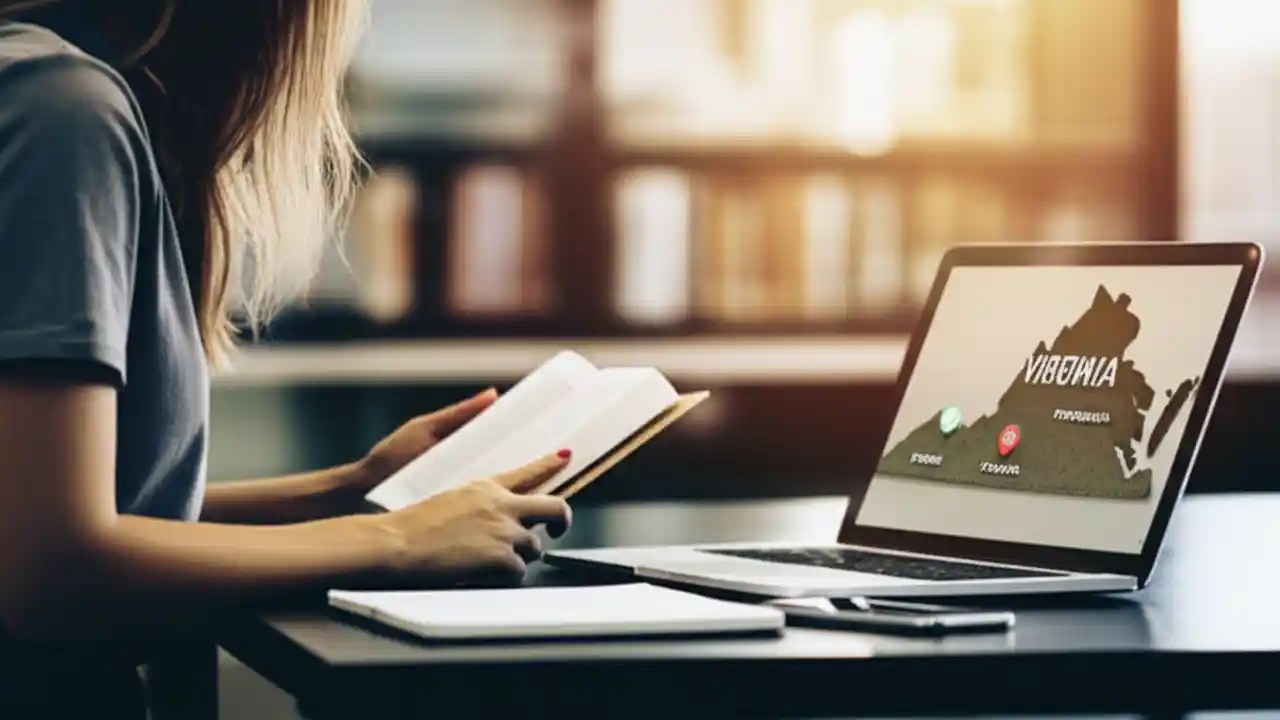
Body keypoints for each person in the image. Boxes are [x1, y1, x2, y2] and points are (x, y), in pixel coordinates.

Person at [0, 1, 572, 714]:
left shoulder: (43, 85)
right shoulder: (63, 108)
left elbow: (64, 512)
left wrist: (349, 491)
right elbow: (49, 570)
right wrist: (393, 537)